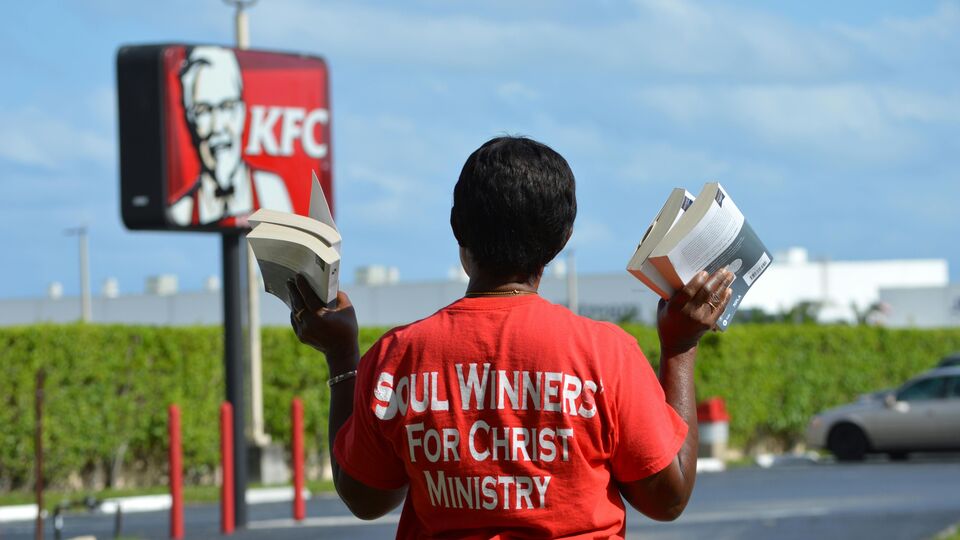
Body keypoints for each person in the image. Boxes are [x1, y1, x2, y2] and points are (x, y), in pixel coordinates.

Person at [286, 136, 734, 539]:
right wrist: (679, 348)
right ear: (563, 238)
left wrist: (342, 356)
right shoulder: (606, 353)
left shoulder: (397, 356)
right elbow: (667, 499)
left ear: (457, 228)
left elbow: (365, 497)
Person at [169, 46, 292, 226]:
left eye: (227, 107)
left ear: (242, 111)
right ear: (189, 119)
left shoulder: (272, 194)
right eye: (204, 110)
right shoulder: (180, 213)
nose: (218, 126)